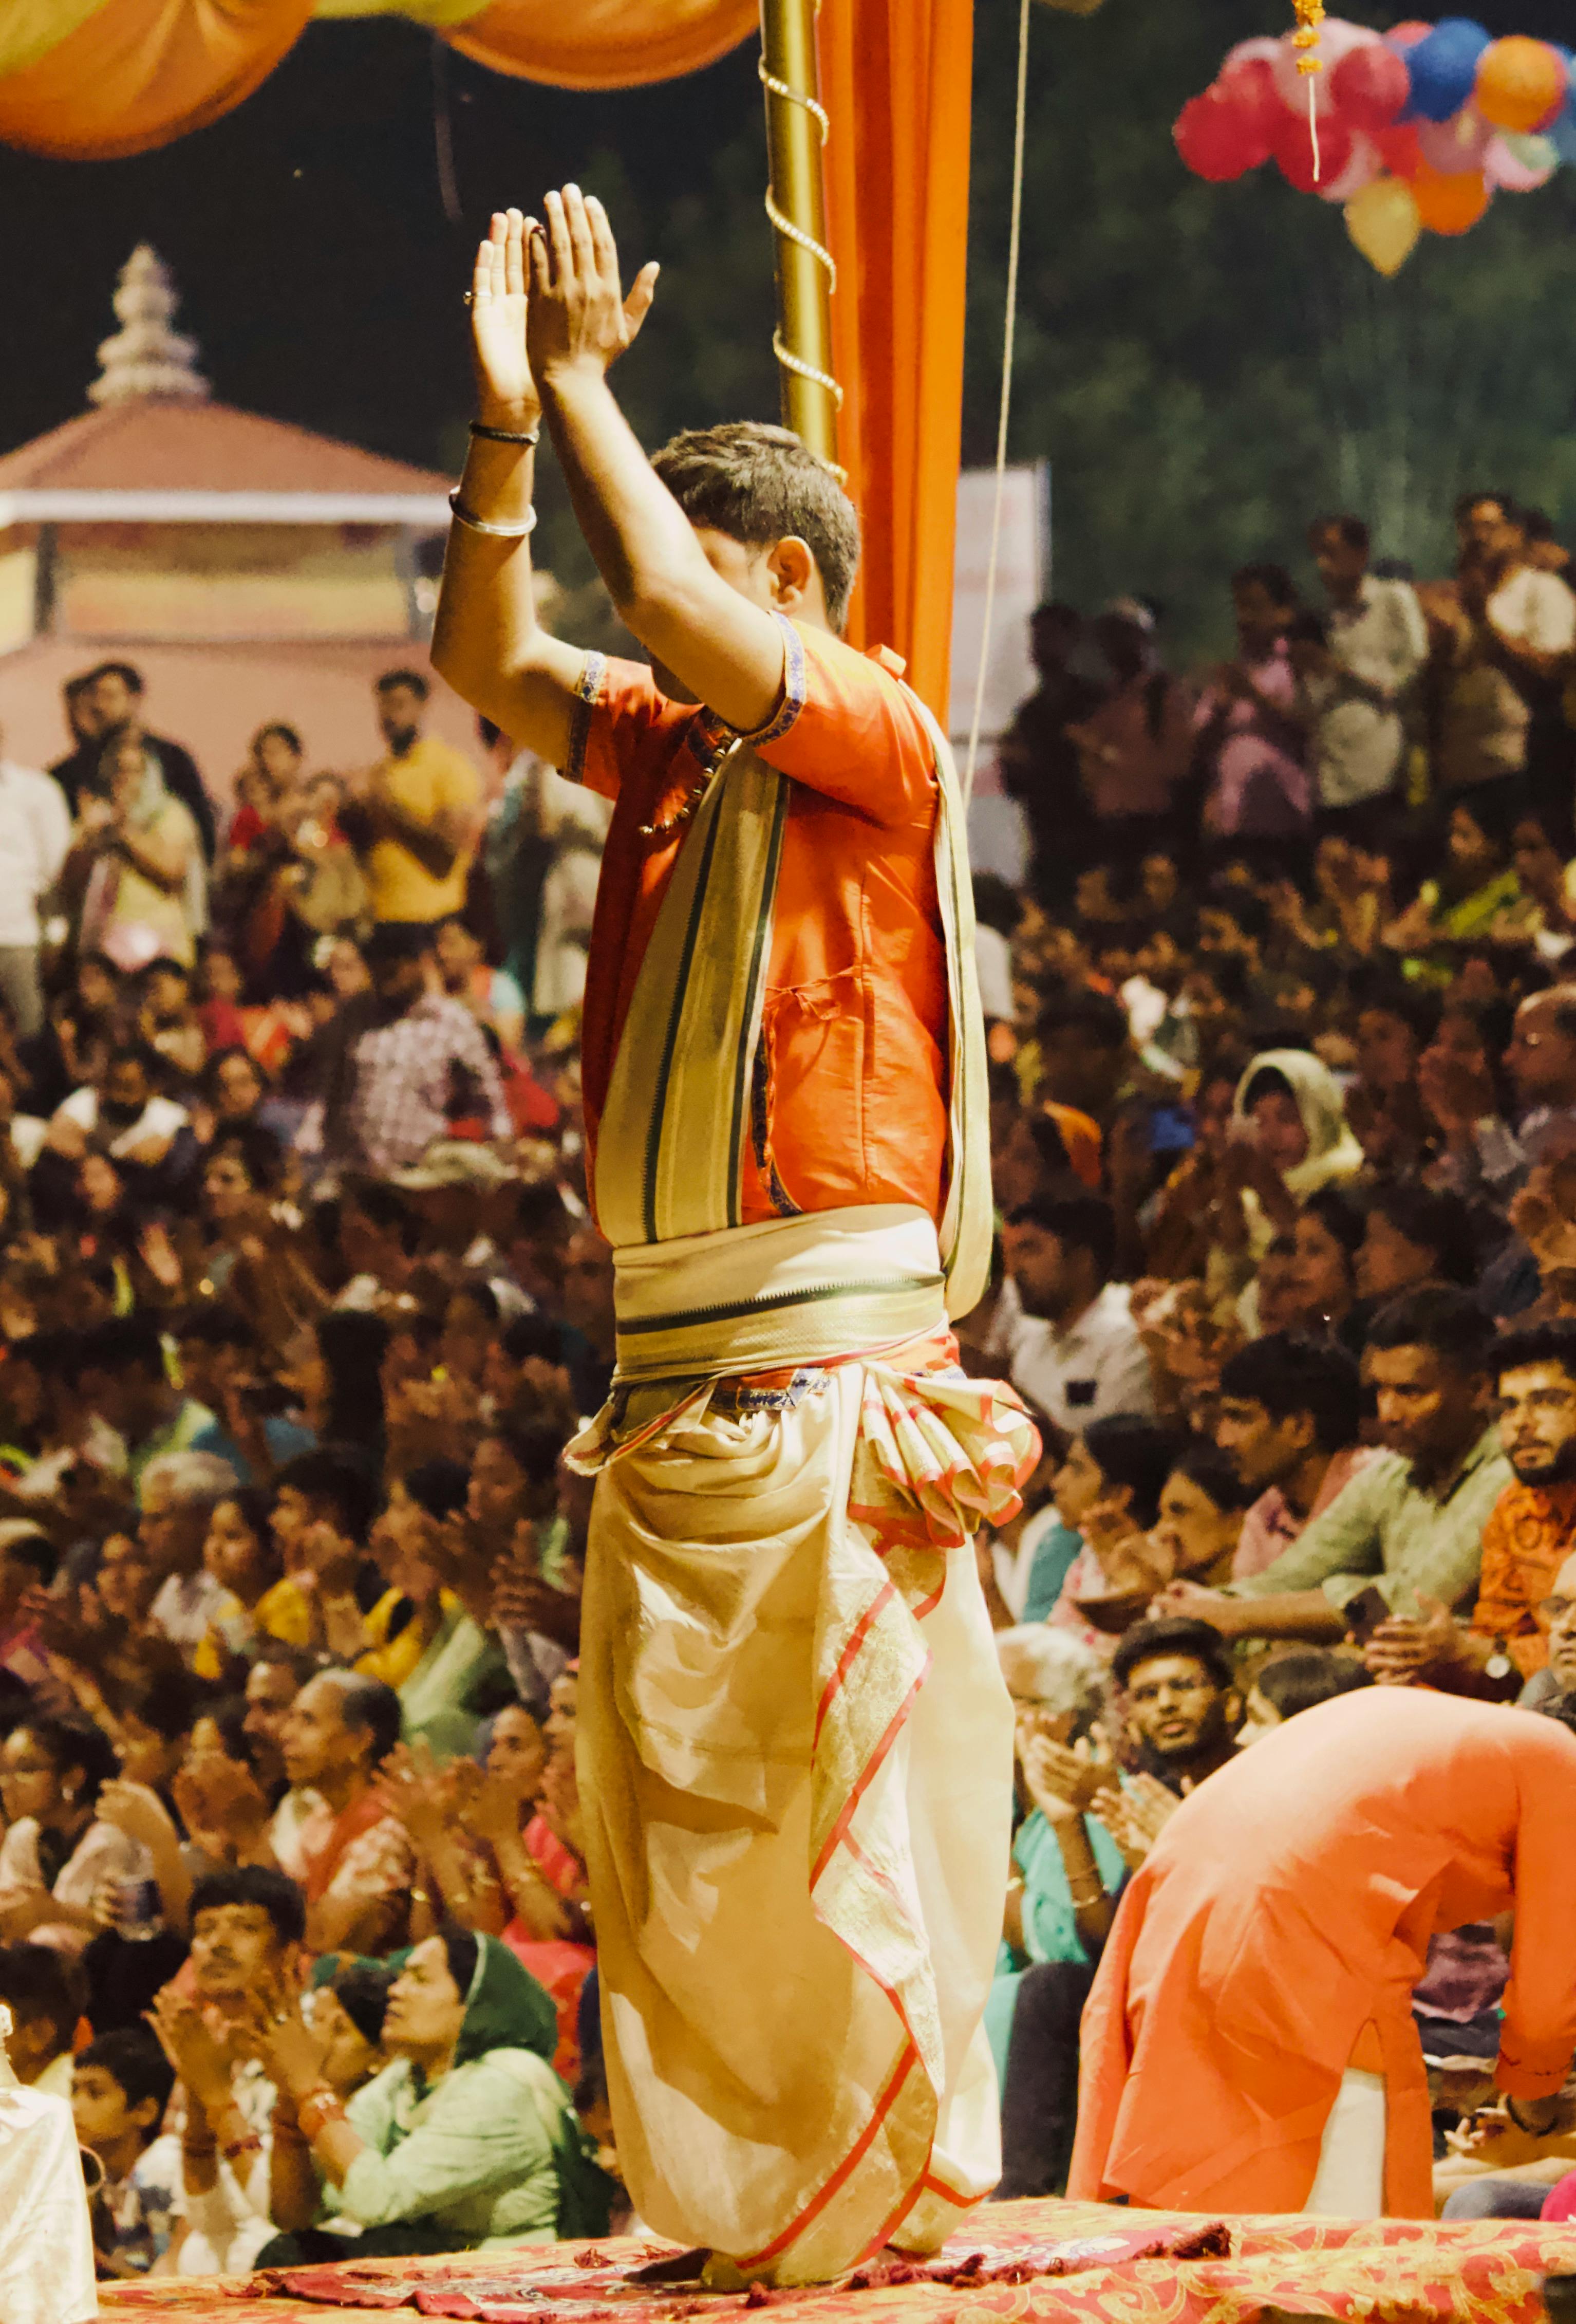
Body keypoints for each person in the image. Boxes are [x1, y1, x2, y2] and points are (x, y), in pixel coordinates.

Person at [429, 197, 1034, 2283]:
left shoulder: (867, 723)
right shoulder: (673, 748)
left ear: (782, 585)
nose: (649, 607)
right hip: (672, 1368)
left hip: (821, 1357)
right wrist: (511, 434)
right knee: (690, 1839)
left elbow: (658, 606)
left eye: (686, 573)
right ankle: (765, 2207)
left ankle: (888, 2199)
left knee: (837, 1814)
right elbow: (486, 654)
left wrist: (591, 377)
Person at [1068, 1687, 1576, 2216]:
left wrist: (1480, 2083)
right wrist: (1528, 2105)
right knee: (1328, 2252)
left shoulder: (1434, 1719)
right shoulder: (1558, 1757)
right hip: (1292, 1932)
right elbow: (1545, 2004)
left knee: (1208, 2216)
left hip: (1177, 1904)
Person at [1170, 1288, 1509, 1645]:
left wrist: (1236, 1616)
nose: (1388, 1413)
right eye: (1380, 1390)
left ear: (1478, 1389)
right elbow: (1288, 1578)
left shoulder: (1506, 1474)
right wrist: (1194, 1604)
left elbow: (1412, 1602)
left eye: (1410, 1392)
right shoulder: (1392, 1476)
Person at [257, 1926, 603, 2257]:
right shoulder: (406, 2078)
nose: (396, 1990)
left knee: (294, 2258)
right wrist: (290, 2103)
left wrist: (309, 2090)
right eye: (402, 1976)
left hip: (516, 2271)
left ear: (474, 2003)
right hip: (441, 2259)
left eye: (420, 1979)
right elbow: (304, 2211)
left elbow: (375, 2199)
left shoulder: (503, 2081)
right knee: (293, 2250)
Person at [1363, 1321, 1576, 1689]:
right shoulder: (1515, 1506)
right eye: (1508, 1407)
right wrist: (1432, 1658)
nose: (1522, 1423)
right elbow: (1497, 1637)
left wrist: (1480, 1656)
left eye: (1548, 1401)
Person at [297, 921, 510, 1180]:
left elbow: (490, 1099)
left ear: (421, 962)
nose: (385, 973)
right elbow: (329, 1091)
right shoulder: (353, 1018)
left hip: (425, 1173)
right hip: (357, 1173)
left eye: (395, 965)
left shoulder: (451, 1021)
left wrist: (500, 1146)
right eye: (378, 964)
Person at [1434, 493, 1576, 801]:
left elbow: (1553, 672)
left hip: (1525, 762)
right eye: (1469, 530)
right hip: (1464, 766)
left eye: (1489, 527)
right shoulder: (1463, 601)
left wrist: (1487, 624)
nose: (1478, 538)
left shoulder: (1541, 589)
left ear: (1516, 533)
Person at [1300, 515, 1428, 835]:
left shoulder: (1393, 599)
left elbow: (1415, 670)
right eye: (1317, 554)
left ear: (1360, 555)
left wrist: (1345, 674)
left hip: (1380, 759)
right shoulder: (1322, 620)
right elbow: (1312, 703)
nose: (1322, 565)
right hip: (1331, 769)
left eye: (1330, 553)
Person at [1211, 1332, 1371, 1578]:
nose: (1224, 1440)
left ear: (1300, 1428)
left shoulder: (1374, 1491)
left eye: (1240, 1418)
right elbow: (1243, 1607)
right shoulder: (1265, 1516)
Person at [278, 1670, 414, 1955]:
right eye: (291, 1719)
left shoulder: (393, 1820)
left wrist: (248, 1833)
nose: (286, 1735)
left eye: (308, 1721)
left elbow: (326, 1939)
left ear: (360, 1741)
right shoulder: (321, 1816)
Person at [996, 1193, 1154, 1430]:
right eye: (1012, 1254)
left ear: (1081, 1259)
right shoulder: (1028, 1333)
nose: (1016, 1270)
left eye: (1030, 1250)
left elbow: (1111, 1452)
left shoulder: (1128, 1331)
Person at [343, 672, 483, 935]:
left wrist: (387, 805)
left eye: (399, 705)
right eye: (383, 706)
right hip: (381, 920)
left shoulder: (448, 766)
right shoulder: (378, 774)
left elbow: (448, 849)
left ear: (422, 706)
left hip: (433, 921)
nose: (390, 716)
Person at [71, 2028, 181, 2278]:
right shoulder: (104, 2177)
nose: (75, 2106)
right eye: (74, 2091)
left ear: (144, 2111)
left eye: (95, 2093)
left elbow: (175, 2285)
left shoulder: (161, 2167)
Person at [0, 733, 71, 1042]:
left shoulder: (36, 791)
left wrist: (55, 936)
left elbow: (57, 869)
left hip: (19, 936)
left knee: (30, 1036)